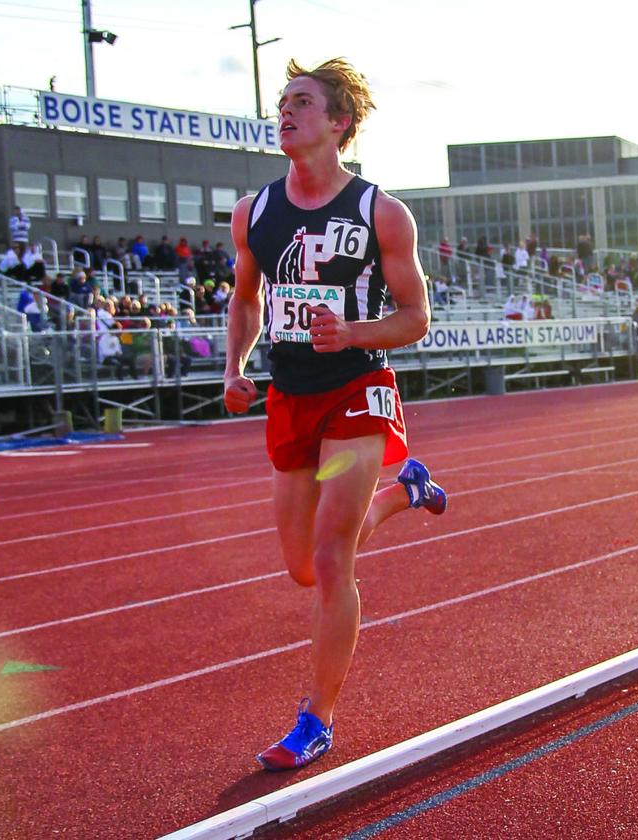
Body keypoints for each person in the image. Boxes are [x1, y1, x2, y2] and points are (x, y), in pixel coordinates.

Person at [222, 57, 447, 773]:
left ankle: (315, 719)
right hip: (290, 397)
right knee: (302, 569)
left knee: (331, 556)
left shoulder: (380, 211)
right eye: (282, 102)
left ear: (338, 123)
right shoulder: (253, 213)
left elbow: (415, 318)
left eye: (302, 102)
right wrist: (234, 367)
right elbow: (246, 299)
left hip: (358, 389)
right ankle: (406, 489)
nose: (285, 112)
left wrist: (353, 333)